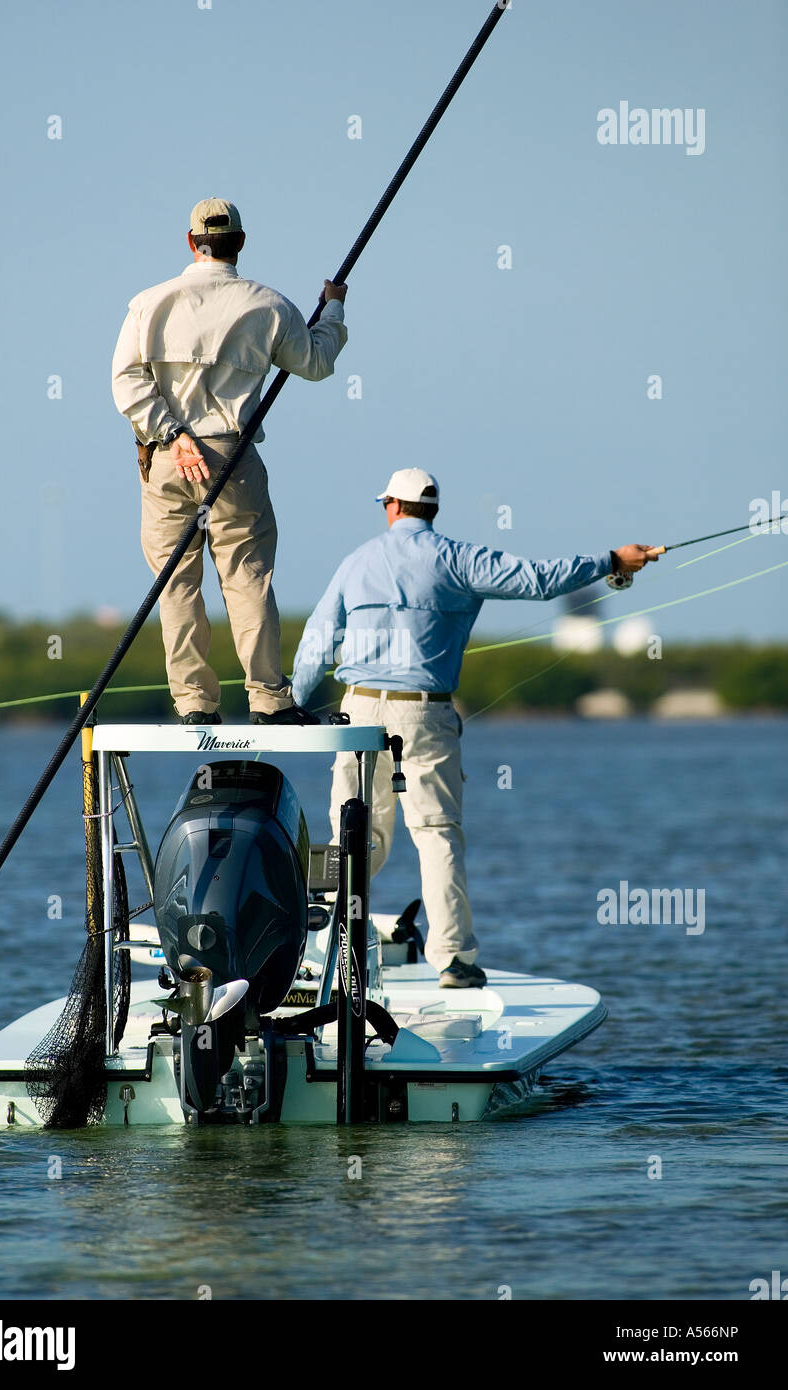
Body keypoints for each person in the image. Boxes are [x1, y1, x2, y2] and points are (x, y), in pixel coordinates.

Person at [291, 468, 656, 987]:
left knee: (352, 836)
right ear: (432, 510)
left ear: (392, 507)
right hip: (424, 712)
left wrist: (290, 704)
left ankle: (317, 950)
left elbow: (319, 635)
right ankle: (454, 961)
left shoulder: (357, 561)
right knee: (436, 834)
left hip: (357, 713)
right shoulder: (460, 559)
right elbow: (539, 579)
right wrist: (612, 561)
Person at [112, 197, 348, 725]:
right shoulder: (269, 305)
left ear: (191, 242)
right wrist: (332, 307)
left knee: (176, 584)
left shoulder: (148, 303)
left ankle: (195, 705)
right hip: (233, 457)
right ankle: (268, 700)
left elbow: (126, 382)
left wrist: (172, 433)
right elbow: (316, 362)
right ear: (239, 242)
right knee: (248, 577)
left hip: (166, 459)